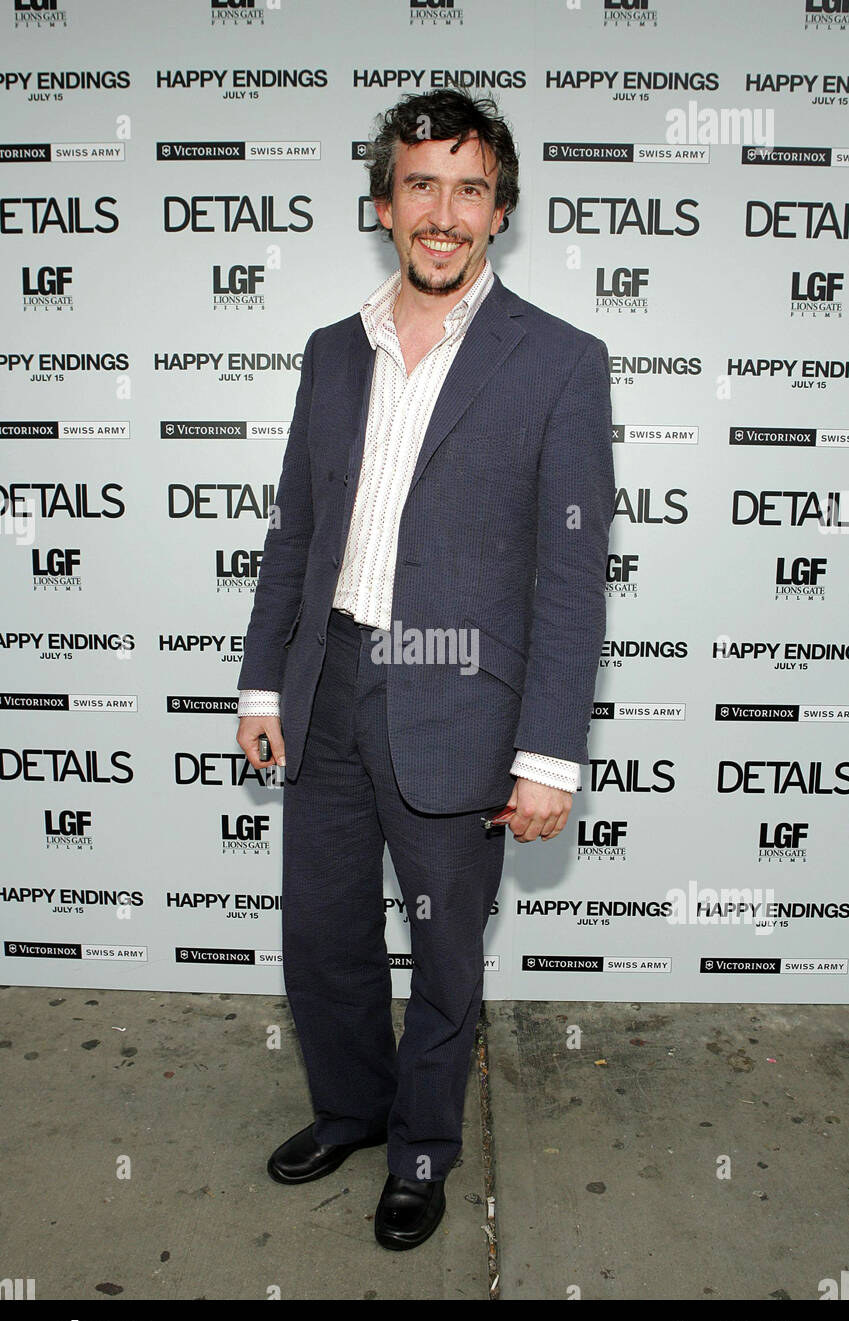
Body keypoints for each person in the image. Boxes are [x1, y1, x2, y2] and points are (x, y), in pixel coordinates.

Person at [236, 87, 615, 1251]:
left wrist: (549, 753)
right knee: (323, 931)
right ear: (384, 202)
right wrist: (264, 682)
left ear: (499, 209)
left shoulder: (559, 360)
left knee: (445, 941)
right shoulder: (329, 351)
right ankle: (351, 1106)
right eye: (420, 184)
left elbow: (570, 578)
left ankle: (420, 1147)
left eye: (469, 188)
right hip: (333, 678)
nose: (443, 212)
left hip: (460, 695)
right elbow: (296, 530)